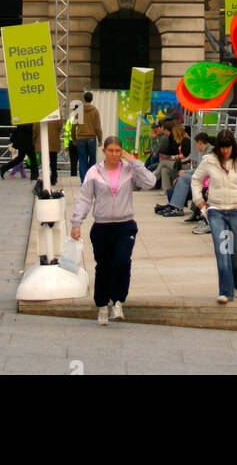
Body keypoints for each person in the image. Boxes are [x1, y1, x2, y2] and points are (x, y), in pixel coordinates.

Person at [70, 135, 156, 325]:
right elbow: (84, 198)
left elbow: (150, 182)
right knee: (103, 266)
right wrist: (77, 223)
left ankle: (117, 302)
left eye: (118, 151)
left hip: (125, 225)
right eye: (111, 151)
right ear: (104, 151)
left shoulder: (128, 169)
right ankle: (102, 305)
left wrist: (134, 161)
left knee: (122, 262)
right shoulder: (94, 172)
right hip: (101, 226)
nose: (115, 154)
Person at [191, 129, 237, 304]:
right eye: (221, 147)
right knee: (222, 251)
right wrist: (200, 201)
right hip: (216, 211)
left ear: (232, 146)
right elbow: (196, 179)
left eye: (227, 147)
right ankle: (225, 291)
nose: (224, 151)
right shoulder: (209, 161)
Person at [156, 132, 213, 216]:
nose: (196, 147)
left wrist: (185, 172)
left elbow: (200, 171)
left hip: (206, 180)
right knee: (168, 171)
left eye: (196, 144)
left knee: (183, 178)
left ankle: (176, 207)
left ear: (199, 143)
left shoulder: (209, 153)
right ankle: (173, 205)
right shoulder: (208, 151)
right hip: (205, 179)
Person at [71, 92, 103, 182]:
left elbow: (73, 127)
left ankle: (83, 181)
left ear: (84, 99)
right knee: (92, 160)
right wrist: (100, 140)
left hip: (80, 139)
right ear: (91, 99)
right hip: (92, 138)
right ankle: (91, 179)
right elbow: (98, 127)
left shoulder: (79, 111)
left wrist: (74, 139)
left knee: (82, 160)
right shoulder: (95, 111)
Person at [159, 123, 191, 199]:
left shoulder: (186, 140)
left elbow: (185, 154)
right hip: (179, 163)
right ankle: (166, 189)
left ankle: (152, 178)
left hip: (185, 164)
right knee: (164, 170)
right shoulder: (180, 141)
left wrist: (174, 157)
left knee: (162, 162)